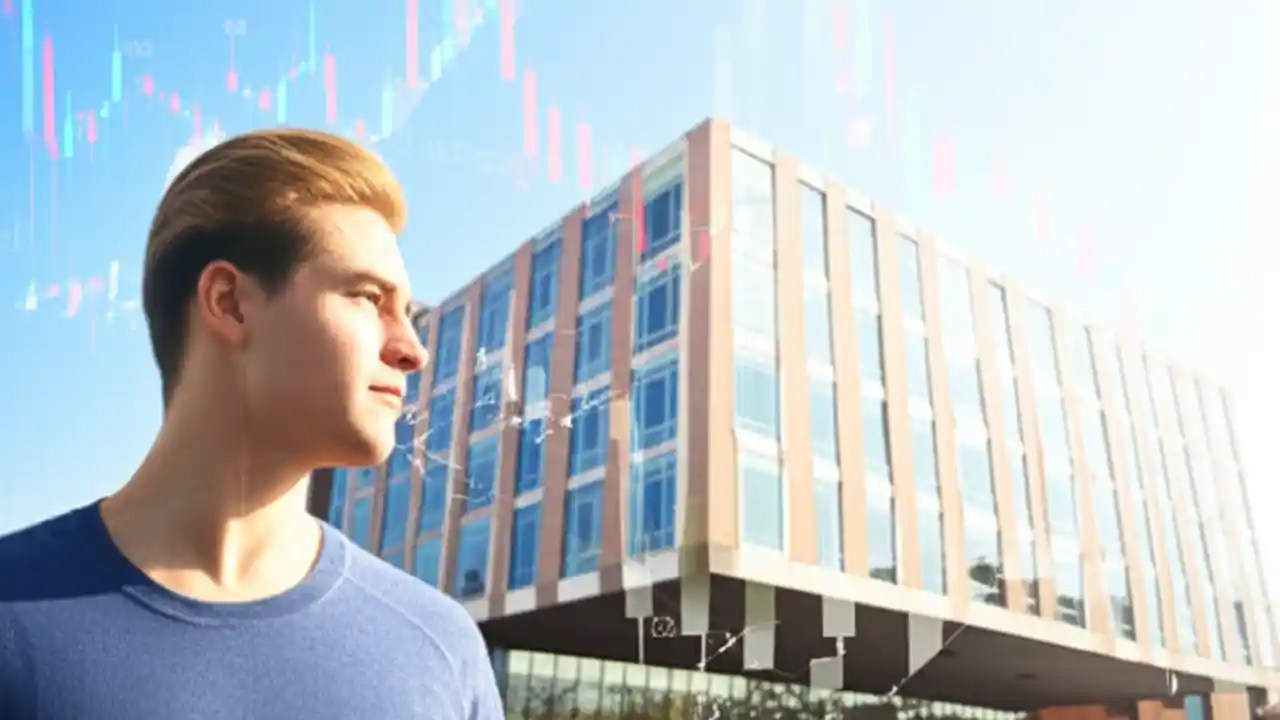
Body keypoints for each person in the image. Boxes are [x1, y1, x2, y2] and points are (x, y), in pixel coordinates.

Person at [0, 129, 504, 719]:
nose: (413, 350)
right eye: (369, 298)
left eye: (409, 314)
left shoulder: (441, 652)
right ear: (229, 302)